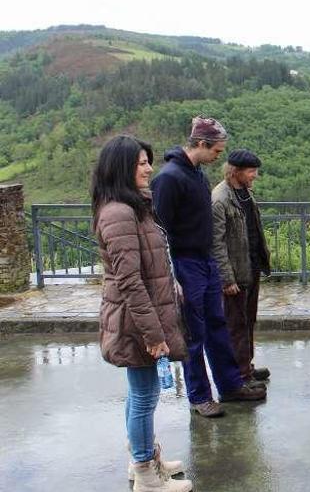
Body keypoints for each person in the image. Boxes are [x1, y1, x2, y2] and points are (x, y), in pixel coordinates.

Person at [91, 135, 193, 491]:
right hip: (137, 322)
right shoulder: (119, 213)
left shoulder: (133, 206)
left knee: (139, 395)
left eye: (148, 161)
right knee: (145, 396)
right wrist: (154, 336)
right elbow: (131, 281)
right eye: (141, 163)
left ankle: (143, 457)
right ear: (121, 168)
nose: (149, 168)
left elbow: (149, 265)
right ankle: (146, 474)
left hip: (141, 316)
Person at [150, 116, 265, 419]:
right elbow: (158, 231)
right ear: (201, 144)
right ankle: (199, 395)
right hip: (186, 263)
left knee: (218, 326)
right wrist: (171, 274)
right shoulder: (169, 178)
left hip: (207, 261)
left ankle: (229, 385)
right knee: (193, 333)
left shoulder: (197, 175)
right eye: (216, 151)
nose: (219, 157)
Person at [211, 149, 272, 387]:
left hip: (250, 269)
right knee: (235, 325)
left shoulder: (245, 193)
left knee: (248, 321)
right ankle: (240, 377)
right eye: (251, 171)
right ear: (235, 172)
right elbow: (216, 243)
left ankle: (246, 366)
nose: (255, 175)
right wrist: (226, 279)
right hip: (235, 274)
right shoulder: (220, 199)